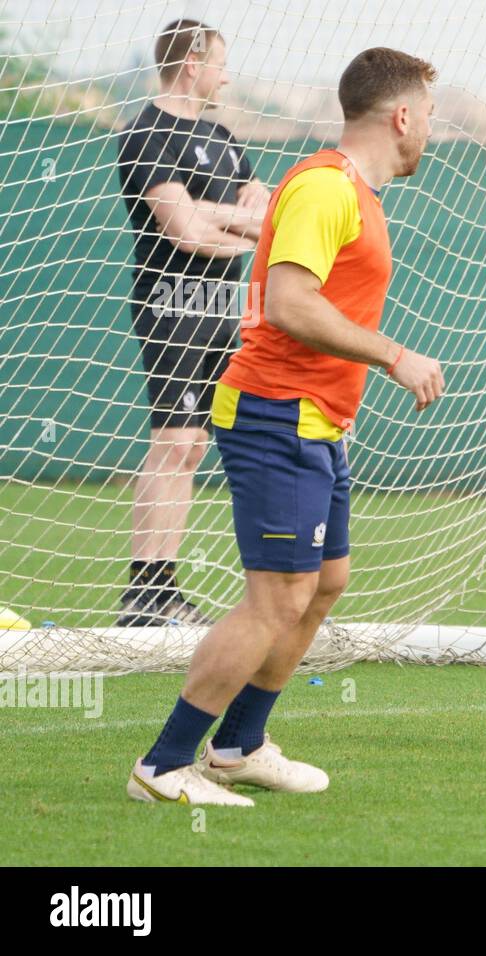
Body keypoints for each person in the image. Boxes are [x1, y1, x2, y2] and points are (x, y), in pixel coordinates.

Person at [127, 47, 446, 805]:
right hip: (275, 414)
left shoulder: (361, 196)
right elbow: (290, 305)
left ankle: (239, 746)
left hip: (316, 421)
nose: (432, 130)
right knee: (275, 598)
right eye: (430, 115)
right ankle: (163, 764)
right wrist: (395, 356)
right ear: (401, 116)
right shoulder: (323, 188)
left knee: (324, 584)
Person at [116, 19, 270, 626]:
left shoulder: (224, 135)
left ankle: (163, 589)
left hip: (221, 311)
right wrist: (230, 224)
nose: (226, 76)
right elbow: (184, 234)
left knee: (195, 448)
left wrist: (218, 218)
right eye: (220, 64)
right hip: (171, 303)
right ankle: (142, 594)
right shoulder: (145, 134)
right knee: (173, 441)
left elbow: (267, 212)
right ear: (192, 63)